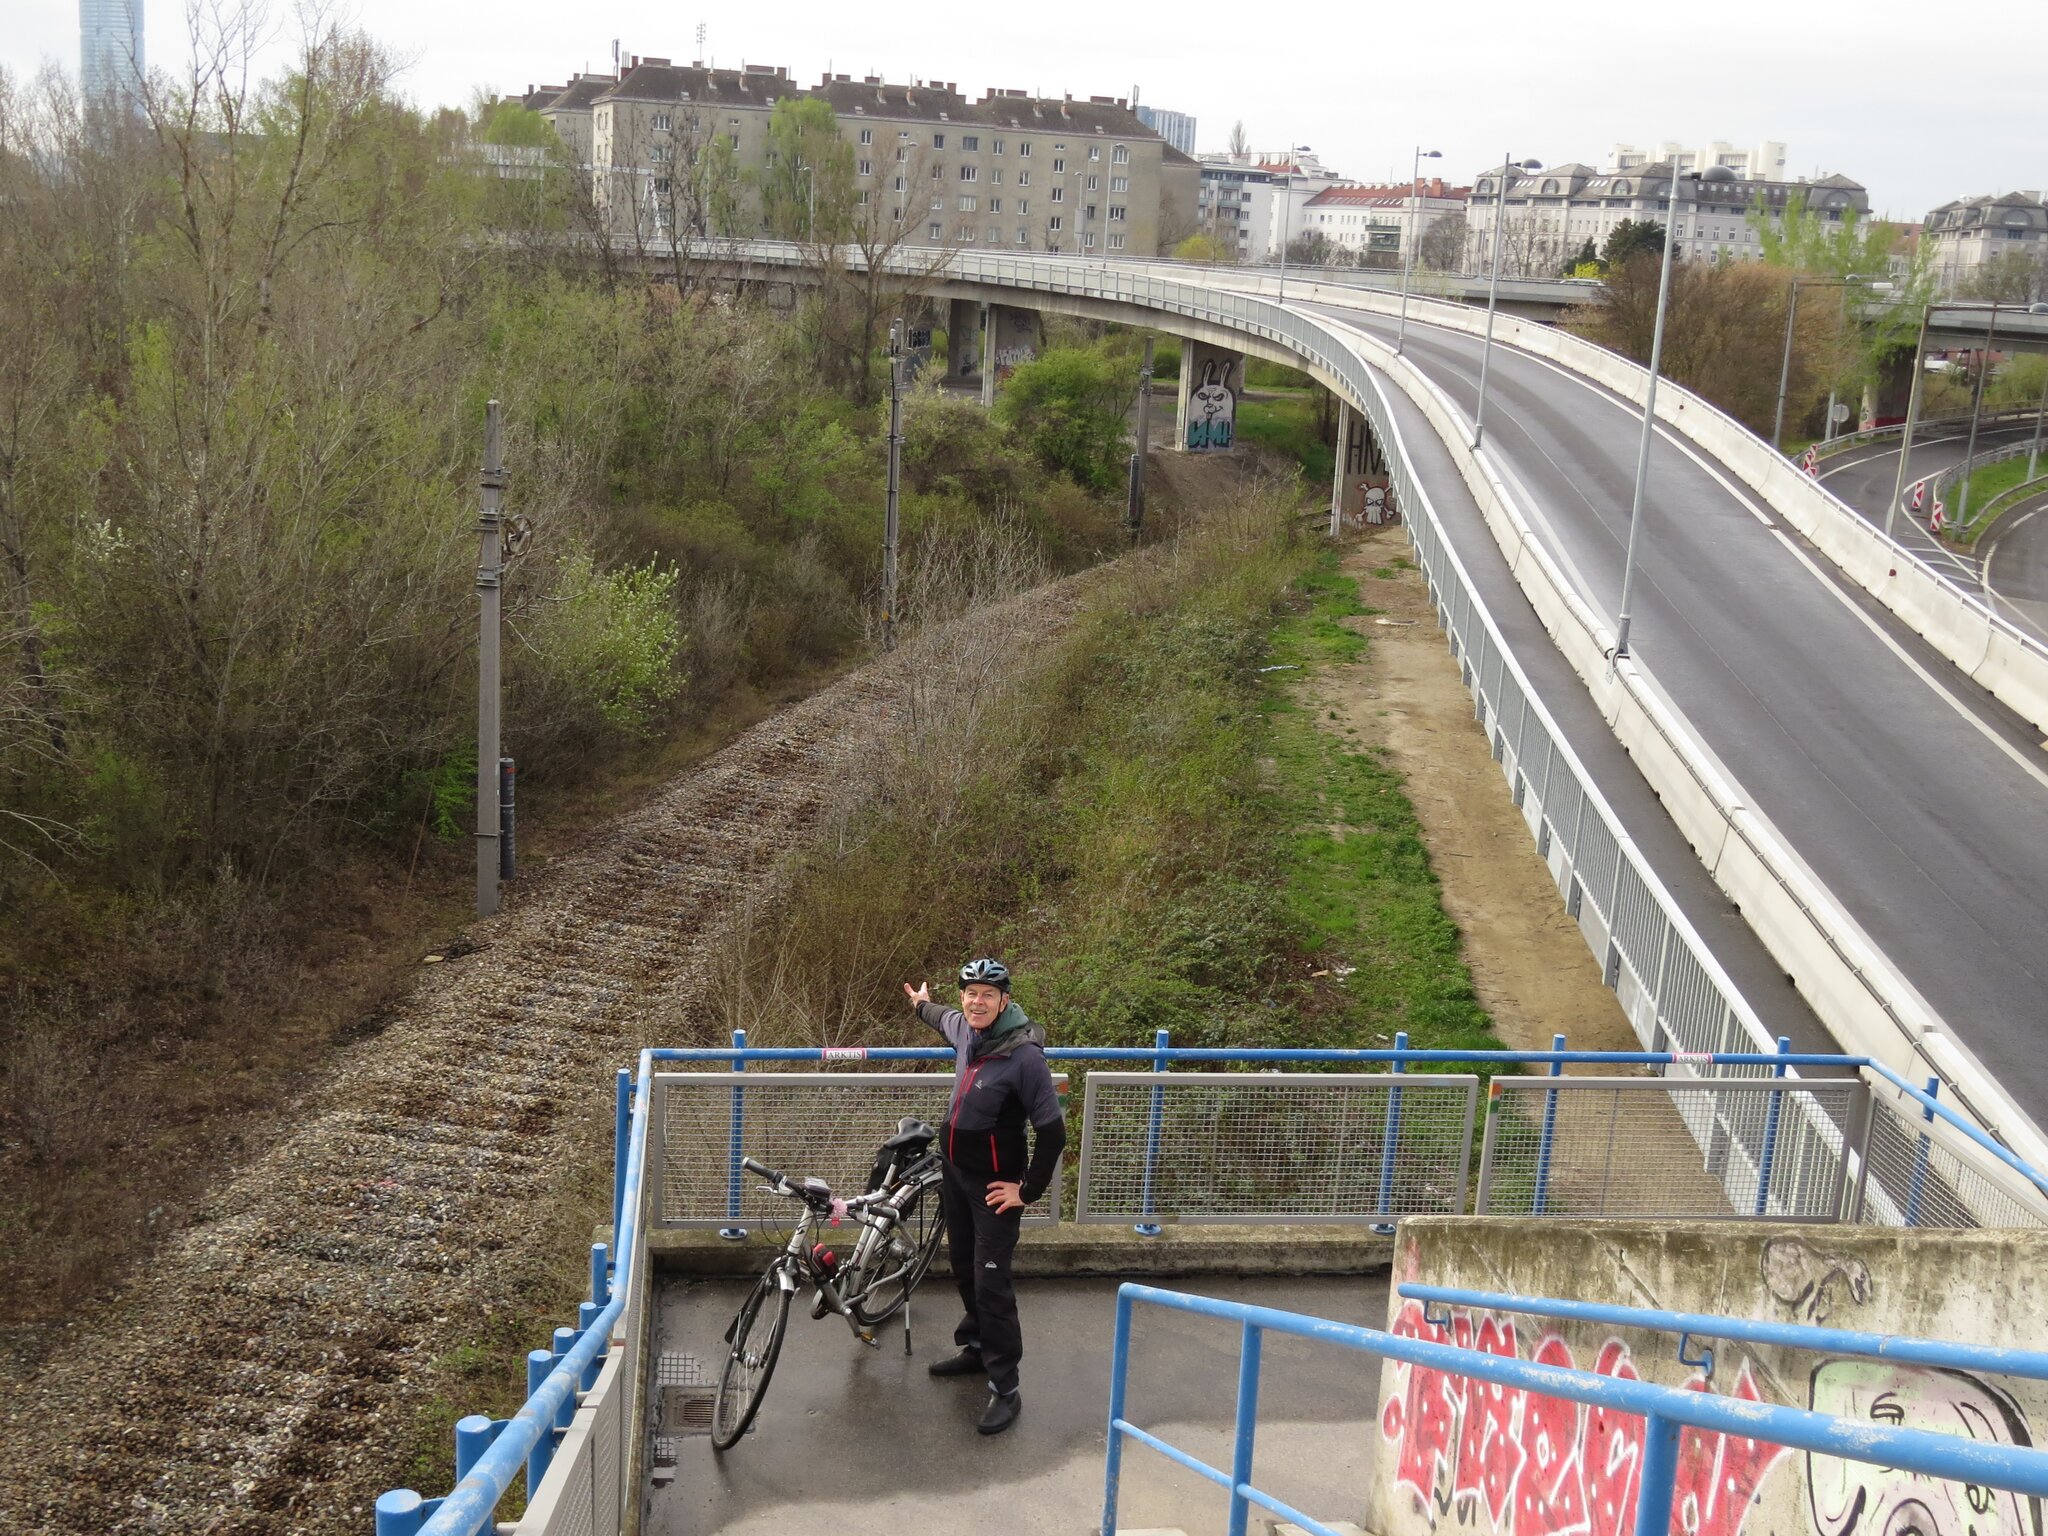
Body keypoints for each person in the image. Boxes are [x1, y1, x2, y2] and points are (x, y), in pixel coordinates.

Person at [902, 957, 1065, 1435]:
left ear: (1005, 1002)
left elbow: (1052, 1133)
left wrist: (1027, 1191)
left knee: (993, 1286)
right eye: (970, 993)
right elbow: (940, 1017)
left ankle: (1005, 1387)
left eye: (986, 995)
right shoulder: (966, 1030)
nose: (976, 1001)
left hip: (996, 1187)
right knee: (963, 1267)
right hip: (955, 1174)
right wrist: (920, 1004)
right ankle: (975, 1349)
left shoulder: (1024, 1057)